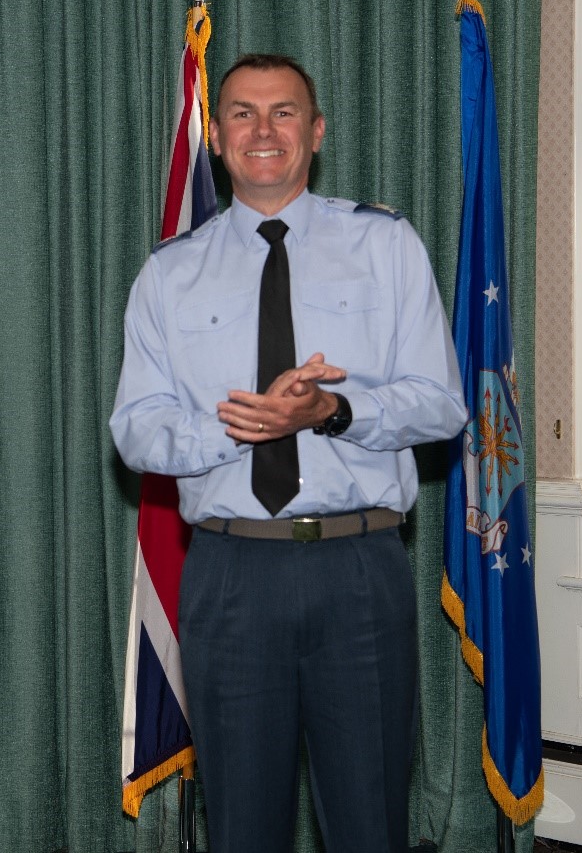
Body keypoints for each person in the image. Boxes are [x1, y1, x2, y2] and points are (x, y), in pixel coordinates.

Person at [109, 54, 467, 852]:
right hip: (232, 577)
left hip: (358, 568)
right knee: (241, 823)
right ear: (214, 134)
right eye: (241, 113)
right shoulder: (169, 274)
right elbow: (135, 428)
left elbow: (442, 403)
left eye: (283, 112)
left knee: (370, 820)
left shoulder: (387, 244)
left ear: (317, 131)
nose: (262, 130)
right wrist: (241, 425)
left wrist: (334, 409)